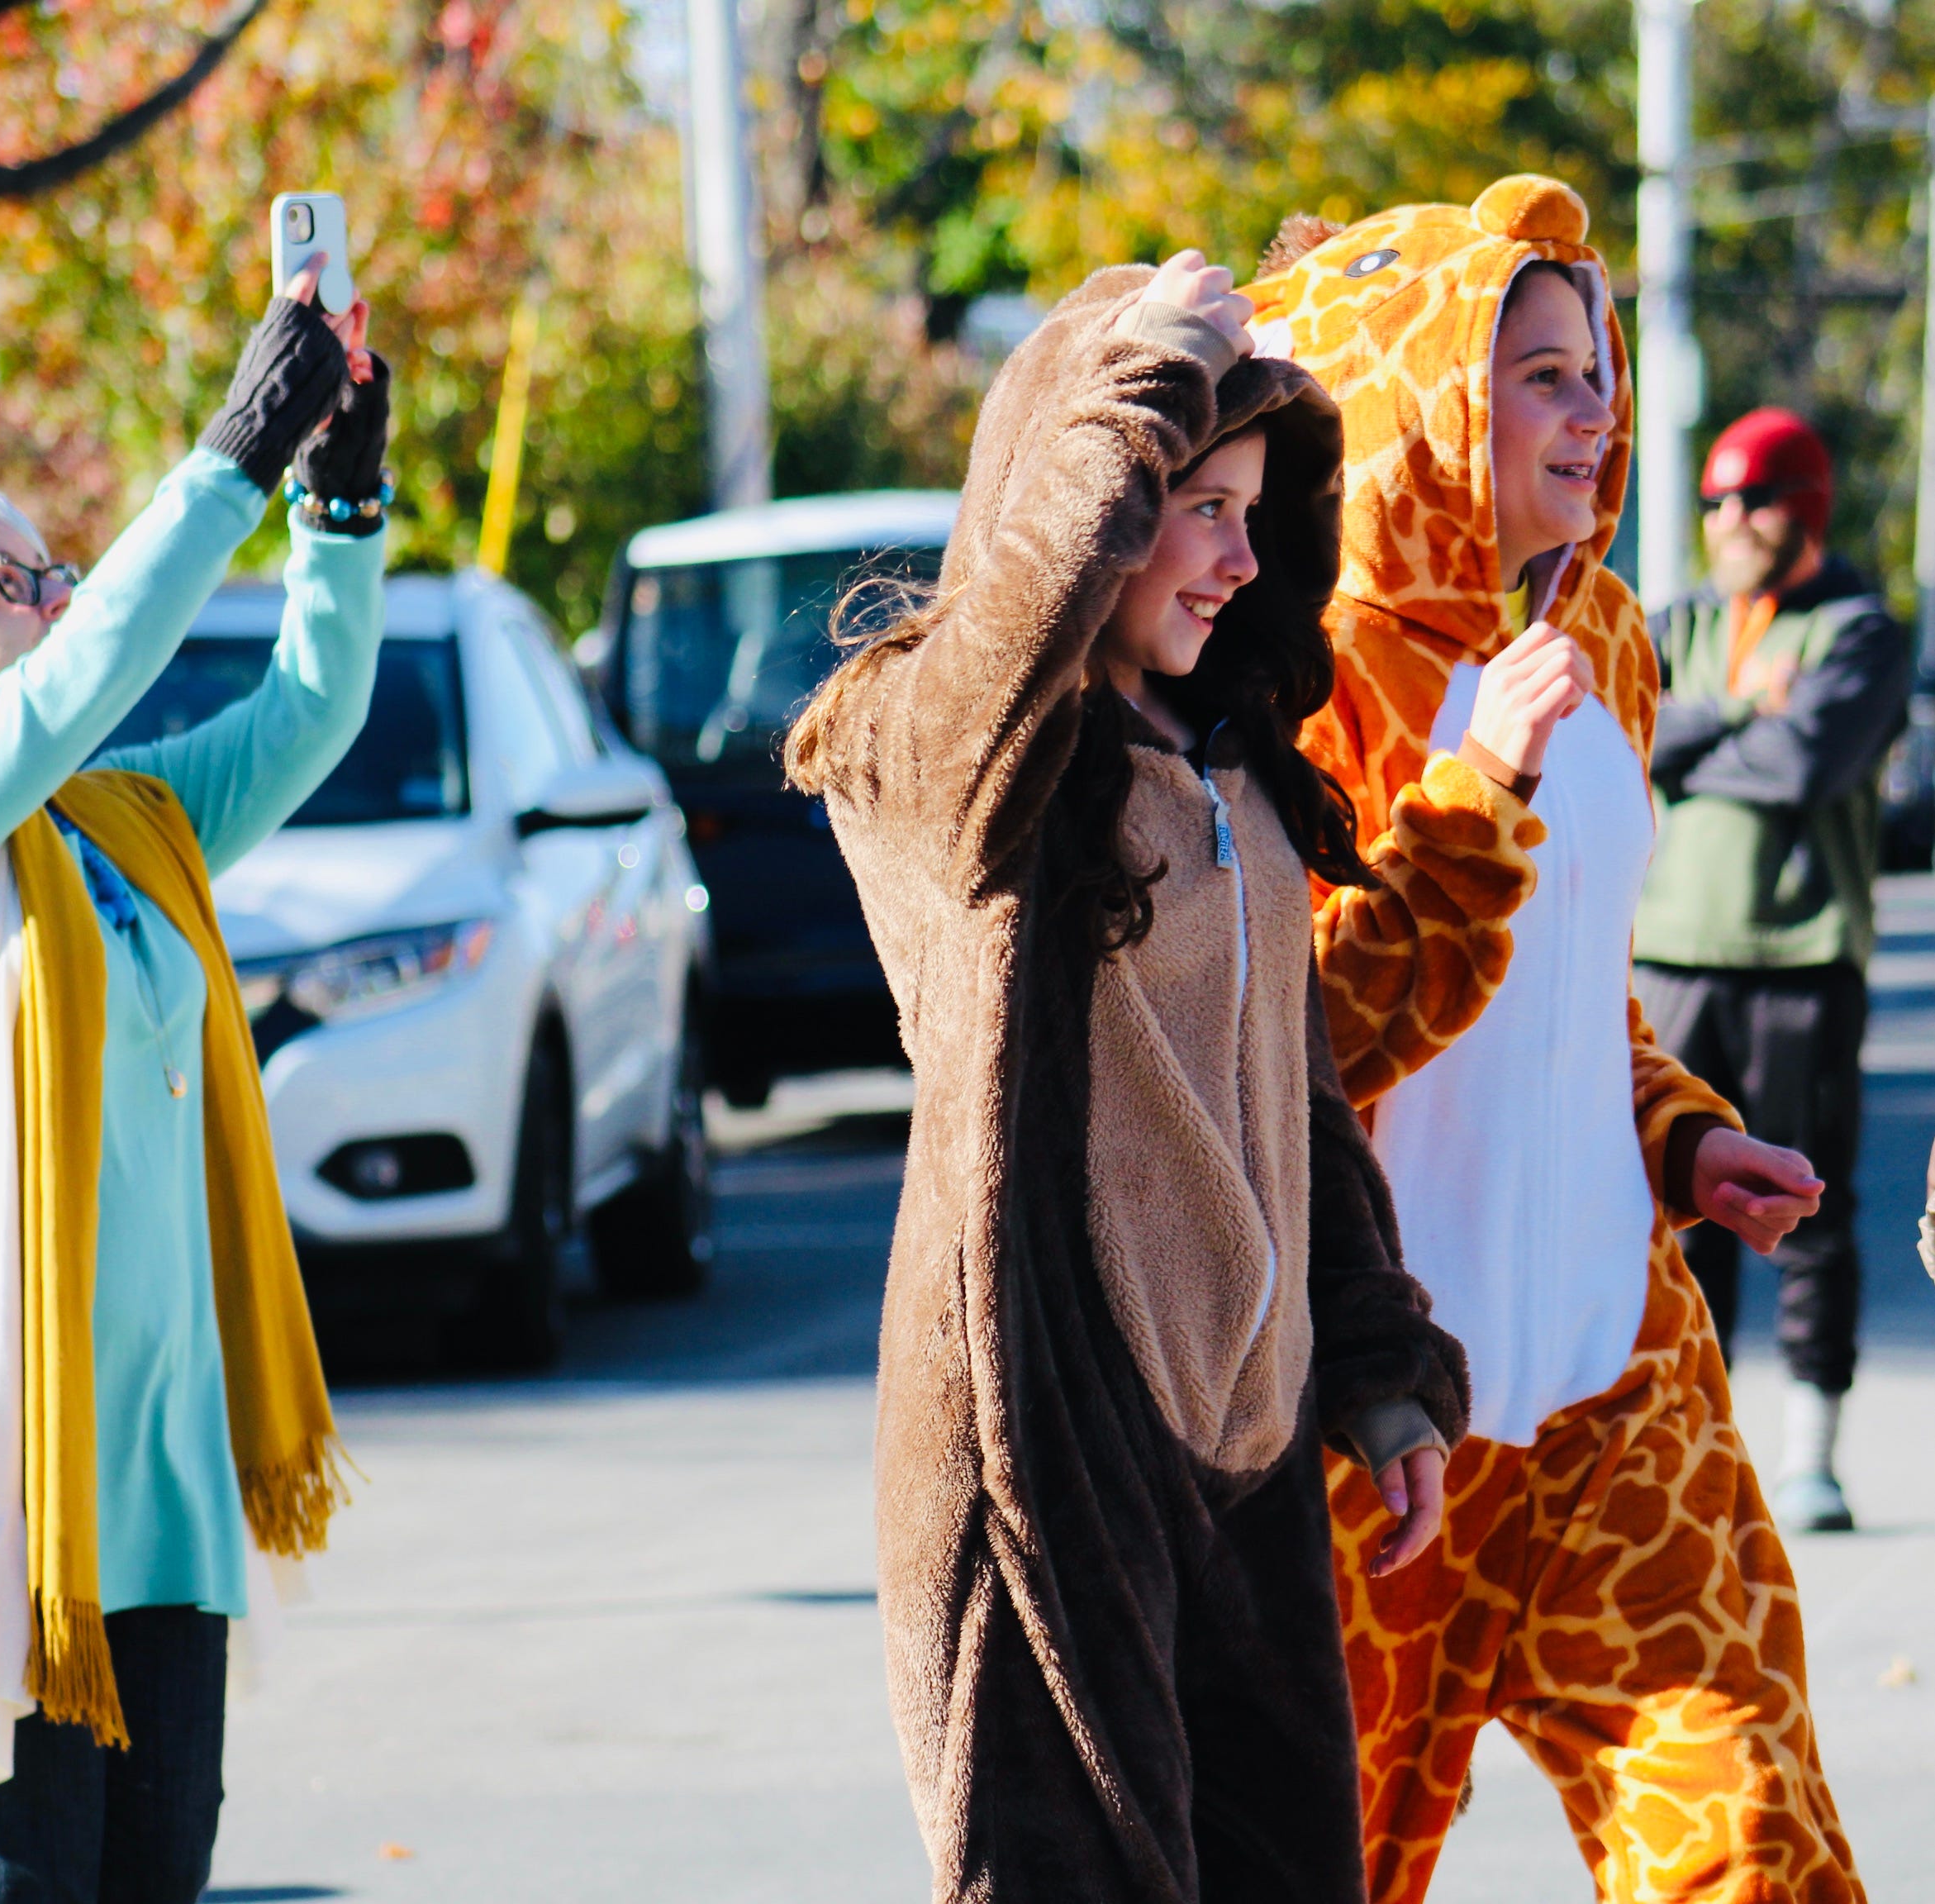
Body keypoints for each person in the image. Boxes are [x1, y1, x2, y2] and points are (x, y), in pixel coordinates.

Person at [783, 251, 1471, 1902]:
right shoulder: (930, 747)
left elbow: (1299, 1113)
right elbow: (998, 676)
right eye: (1196, 505)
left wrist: (1377, 1367)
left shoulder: (1228, 775)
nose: (1240, 558)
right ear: (1083, 494)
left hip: (1240, 1471)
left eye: (1252, 508)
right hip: (1040, 1465)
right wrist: (1136, 388)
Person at [0, 260, 392, 1903]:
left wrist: (337, 494)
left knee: (159, 1884)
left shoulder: (110, 827)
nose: (52, 591)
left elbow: (309, 717)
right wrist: (236, 448)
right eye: (10, 575)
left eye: (52, 569)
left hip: (154, 1484)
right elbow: (88, 670)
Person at [1247, 175, 1861, 1902]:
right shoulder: (1299, 674)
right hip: (1375, 1440)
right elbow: (1304, 1046)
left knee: (1747, 1849)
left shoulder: (1605, 633)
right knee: (1304, 1873)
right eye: (1538, 375)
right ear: (1425, 395)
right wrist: (1477, 786)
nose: (1593, 414)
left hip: (1618, 1387)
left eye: (1596, 368)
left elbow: (1570, 1000)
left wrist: (1676, 1133)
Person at [1633, 407, 1910, 1534]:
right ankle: (1697, 1449)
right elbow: (1629, 732)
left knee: (1804, 1206)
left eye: (1750, 499)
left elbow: (1805, 765)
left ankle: (1811, 1456)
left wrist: (1699, 741)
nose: (1727, 521)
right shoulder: (1680, 622)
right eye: (1713, 501)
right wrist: (1741, 709)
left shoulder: (1859, 631)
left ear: (1804, 506)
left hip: (1801, 961)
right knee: (1672, 1218)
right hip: (1669, 959)